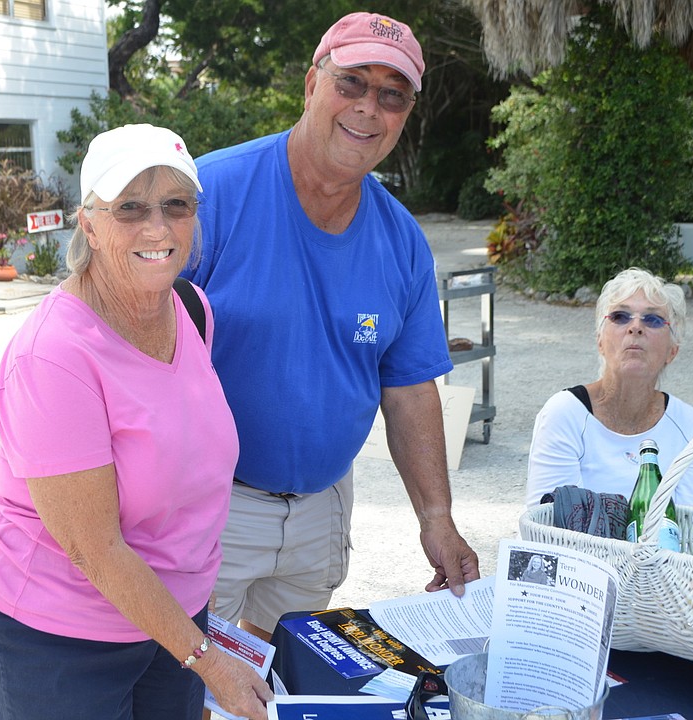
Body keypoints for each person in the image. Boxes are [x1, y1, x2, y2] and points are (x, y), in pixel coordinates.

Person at [180, 11, 481, 642]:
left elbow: (408, 388)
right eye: (352, 83)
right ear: (312, 84)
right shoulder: (212, 193)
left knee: (277, 682)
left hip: (321, 509)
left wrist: (437, 516)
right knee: (191, 685)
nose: (369, 107)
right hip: (210, 507)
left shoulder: (401, 240)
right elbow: (125, 343)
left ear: (405, 115)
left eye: (392, 95)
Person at [0, 124, 272, 720]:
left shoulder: (190, 309)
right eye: (130, 208)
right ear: (90, 225)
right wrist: (209, 661)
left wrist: (191, 637)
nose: (157, 228)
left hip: (171, 621)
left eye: (176, 205)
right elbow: (94, 547)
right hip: (55, 630)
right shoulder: (54, 356)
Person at [526, 267, 693, 507]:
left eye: (652, 319)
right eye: (620, 316)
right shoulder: (565, 413)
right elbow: (547, 526)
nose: (635, 327)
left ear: (672, 351)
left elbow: (691, 526)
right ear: (600, 341)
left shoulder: (686, 422)